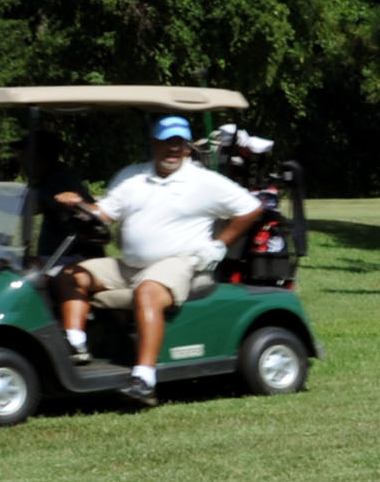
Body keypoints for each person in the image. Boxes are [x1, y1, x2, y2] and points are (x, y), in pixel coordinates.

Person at [52, 115, 262, 406]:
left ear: (187, 148)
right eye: (166, 142)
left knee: (148, 291)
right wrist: (78, 204)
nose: (172, 149)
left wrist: (220, 244)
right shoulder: (132, 177)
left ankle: (144, 378)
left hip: (179, 262)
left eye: (178, 143)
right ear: (154, 144)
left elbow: (251, 208)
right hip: (129, 265)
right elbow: (103, 214)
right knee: (70, 274)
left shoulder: (205, 181)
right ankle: (76, 345)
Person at [20, 130, 93, 266]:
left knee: (24, 265)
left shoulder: (58, 179)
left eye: (24, 158)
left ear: (39, 157)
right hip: (58, 255)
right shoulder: (46, 177)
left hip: (74, 258)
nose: (22, 164)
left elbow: (31, 207)